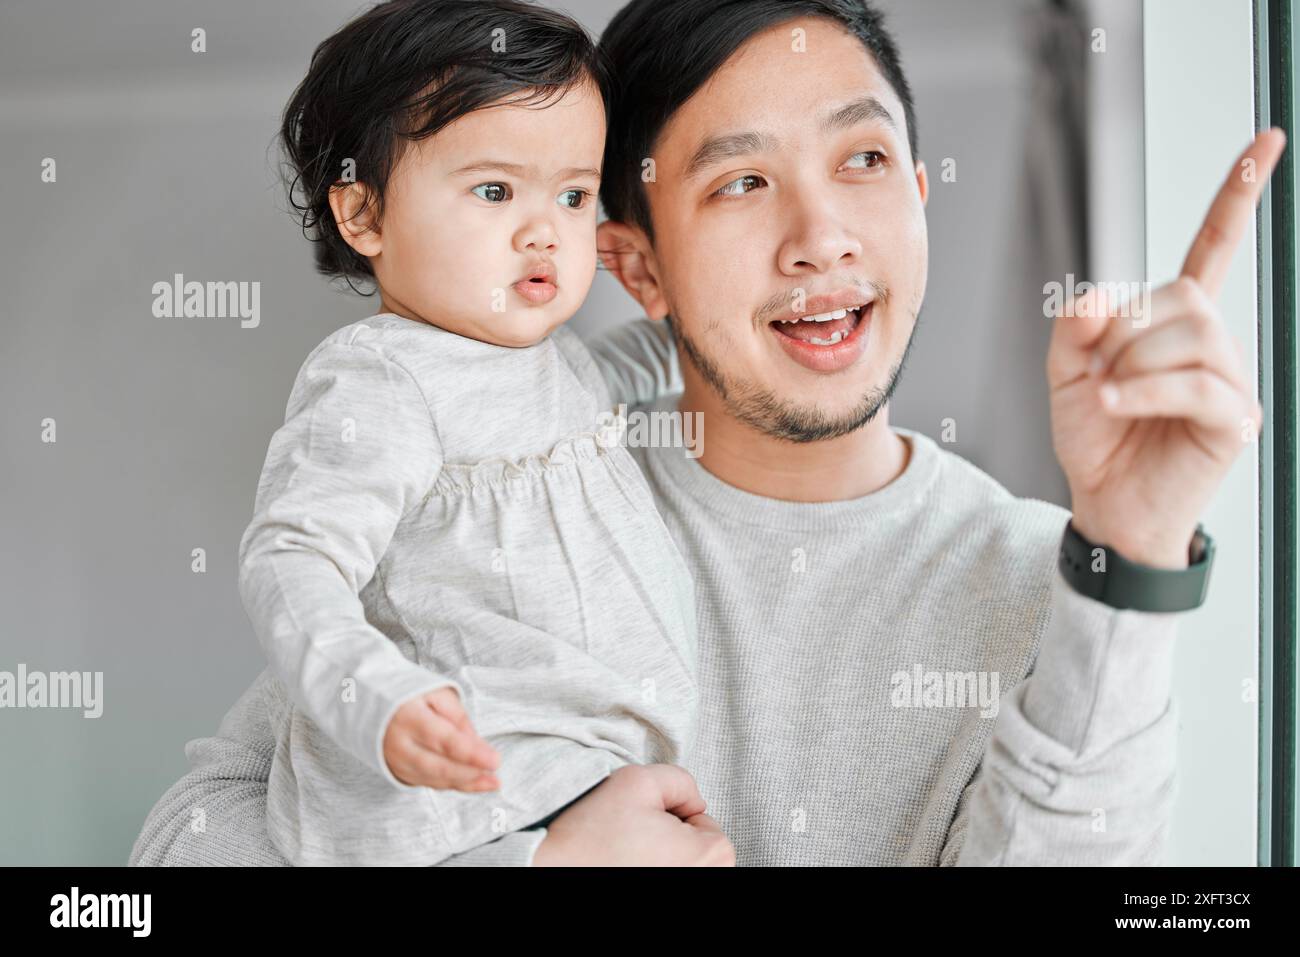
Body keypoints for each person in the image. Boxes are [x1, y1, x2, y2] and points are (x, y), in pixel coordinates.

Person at [130, 0, 1281, 866]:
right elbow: (169, 858)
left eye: (864, 160)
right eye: (740, 184)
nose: (821, 236)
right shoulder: (498, 501)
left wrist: (1129, 559)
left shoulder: (1045, 576)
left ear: (919, 197)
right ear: (636, 264)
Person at [227, 0, 708, 866]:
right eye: (494, 190)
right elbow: (291, 556)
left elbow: (668, 355)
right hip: (464, 800)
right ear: (364, 215)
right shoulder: (385, 377)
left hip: (582, 777)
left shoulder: (561, 365)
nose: (545, 230)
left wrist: (726, 314)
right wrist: (376, 695)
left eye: (573, 193)